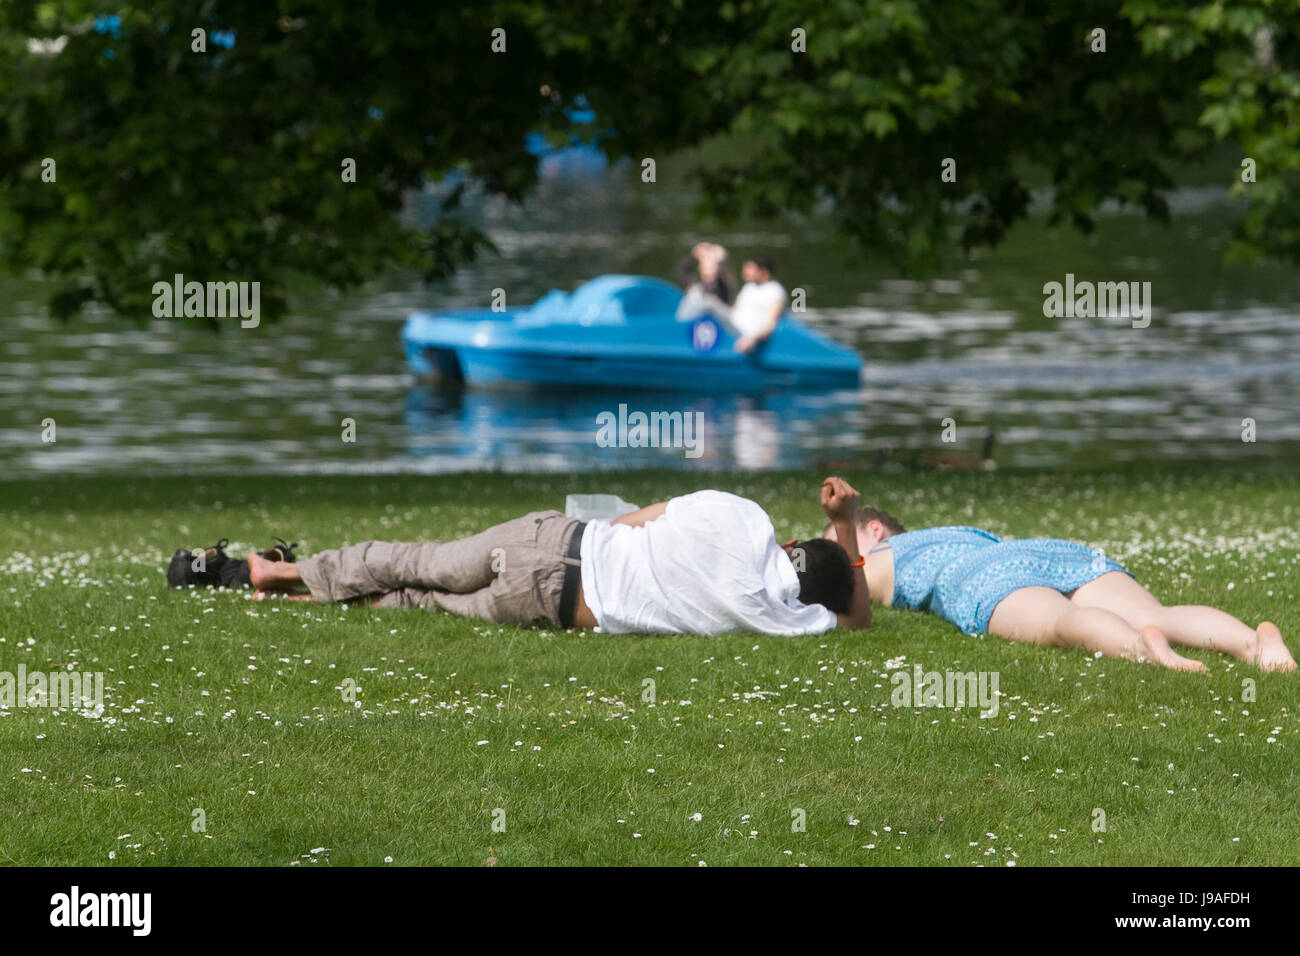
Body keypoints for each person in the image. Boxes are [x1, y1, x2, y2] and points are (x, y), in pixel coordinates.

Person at [245, 477, 872, 637]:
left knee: (420, 558)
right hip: (551, 601)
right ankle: (301, 594)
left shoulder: (742, 514)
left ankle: (288, 570)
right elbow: (857, 621)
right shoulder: (773, 614)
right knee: (428, 598)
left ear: (793, 544)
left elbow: (643, 515)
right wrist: (850, 532)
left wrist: (837, 515)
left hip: (553, 540)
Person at [824, 507, 1297, 672]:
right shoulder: (960, 531)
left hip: (983, 574)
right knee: (1161, 611)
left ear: (875, 531)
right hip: (1047, 550)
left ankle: (1144, 651)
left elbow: (852, 588)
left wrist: (840, 542)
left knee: (1060, 623)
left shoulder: (889, 556)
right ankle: (1255, 644)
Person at [730, 253, 787, 354]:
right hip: (732, 330)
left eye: (750, 268)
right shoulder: (748, 287)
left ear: (764, 272)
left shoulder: (775, 291)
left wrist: (752, 340)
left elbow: (770, 325)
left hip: (749, 336)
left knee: (707, 304)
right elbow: (732, 312)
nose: (744, 272)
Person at [674, 241, 734, 321]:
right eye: (704, 263)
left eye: (711, 263)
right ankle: (681, 325)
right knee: (693, 293)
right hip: (695, 320)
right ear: (699, 267)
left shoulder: (721, 282)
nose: (707, 266)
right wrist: (694, 256)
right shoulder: (695, 282)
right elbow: (680, 271)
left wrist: (721, 259)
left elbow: (723, 275)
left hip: (719, 322)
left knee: (710, 302)